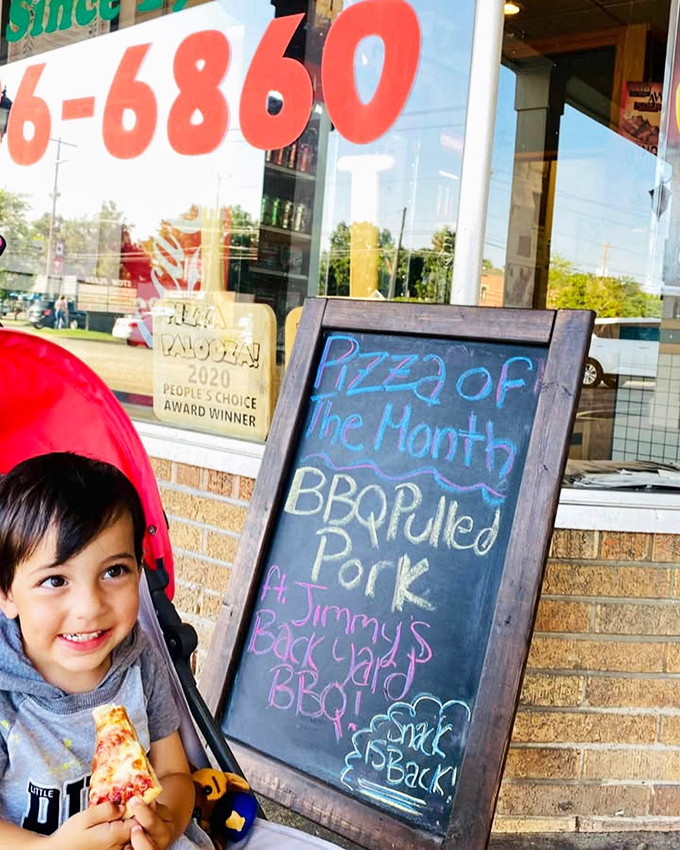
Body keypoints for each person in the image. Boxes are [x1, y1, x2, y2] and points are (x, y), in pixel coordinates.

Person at [0, 452, 215, 849]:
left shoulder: (138, 659)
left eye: (114, 571)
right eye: (55, 580)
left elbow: (174, 774)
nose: (89, 608)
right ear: (7, 594)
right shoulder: (5, 694)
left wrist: (165, 823)